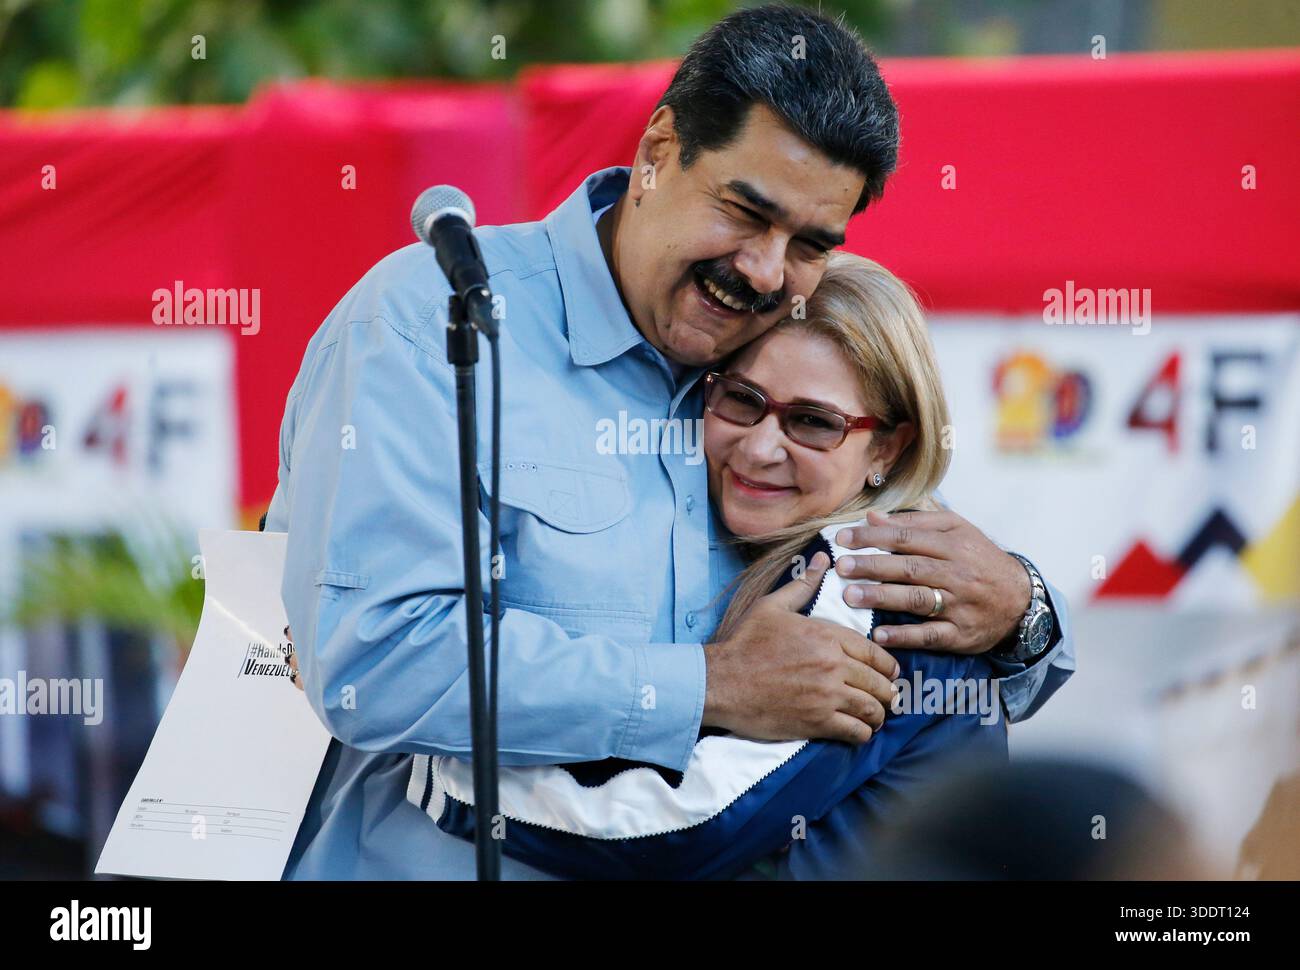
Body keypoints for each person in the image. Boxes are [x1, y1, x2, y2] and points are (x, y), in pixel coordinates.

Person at [268, 4, 1074, 880]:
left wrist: (1023, 609)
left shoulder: (772, 354)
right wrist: (709, 684)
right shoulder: (438, 318)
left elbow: (920, 571)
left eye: (809, 244)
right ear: (659, 150)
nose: (765, 271)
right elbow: (372, 660)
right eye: (744, 211)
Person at [419, 252, 1012, 880]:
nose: (759, 447)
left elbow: (685, 827)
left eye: (813, 423)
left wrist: (443, 777)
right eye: (742, 399)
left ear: (889, 447)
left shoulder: (868, 579)